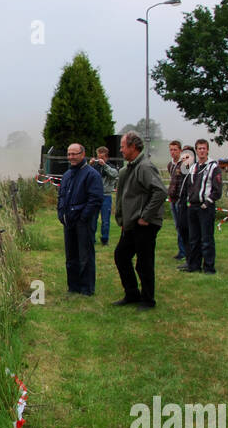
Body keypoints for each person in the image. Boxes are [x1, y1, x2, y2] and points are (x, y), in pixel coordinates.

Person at [112, 131, 167, 308]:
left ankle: (148, 299)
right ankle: (132, 294)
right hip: (131, 224)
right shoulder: (130, 168)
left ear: (133, 147)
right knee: (121, 256)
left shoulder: (144, 167)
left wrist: (146, 216)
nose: (121, 150)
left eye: (123, 146)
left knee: (144, 263)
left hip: (144, 225)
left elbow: (160, 191)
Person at [57, 142, 104, 295]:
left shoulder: (92, 174)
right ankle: (73, 286)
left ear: (82, 155)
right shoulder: (67, 175)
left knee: (85, 255)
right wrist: (61, 213)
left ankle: (86, 288)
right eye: (69, 154)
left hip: (83, 222)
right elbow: (62, 196)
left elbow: (95, 199)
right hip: (68, 221)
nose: (71, 157)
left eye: (74, 154)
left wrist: (83, 217)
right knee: (71, 256)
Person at [183, 139, 223, 274]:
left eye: (204, 148)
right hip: (192, 207)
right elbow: (189, 185)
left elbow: (217, 190)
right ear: (196, 150)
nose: (201, 151)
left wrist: (207, 203)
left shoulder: (213, 167)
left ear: (207, 150)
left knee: (207, 239)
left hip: (205, 207)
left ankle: (209, 267)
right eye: (199, 148)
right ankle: (194, 265)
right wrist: (188, 201)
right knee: (193, 238)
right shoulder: (193, 167)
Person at [88, 146, 119, 247]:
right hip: (94, 196)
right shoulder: (94, 167)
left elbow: (114, 174)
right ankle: (91, 239)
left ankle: (105, 240)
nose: (99, 159)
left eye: (101, 157)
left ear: (106, 157)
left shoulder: (111, 167)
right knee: (93, 219)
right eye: (98, 157)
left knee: (105, 220)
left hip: (106, 196)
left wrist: (104, 165)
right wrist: (90, 164)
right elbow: (86, 174)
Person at [165, 140, 188, 263]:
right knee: (177, 226)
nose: (173, 152)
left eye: (175, 150)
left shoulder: (184, 164)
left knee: (182, 225)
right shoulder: (170, 165)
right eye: (171, 150)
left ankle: (184, 250)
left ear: (180, 150)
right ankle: (181, 250)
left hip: (181, 199)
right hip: (172, 198)